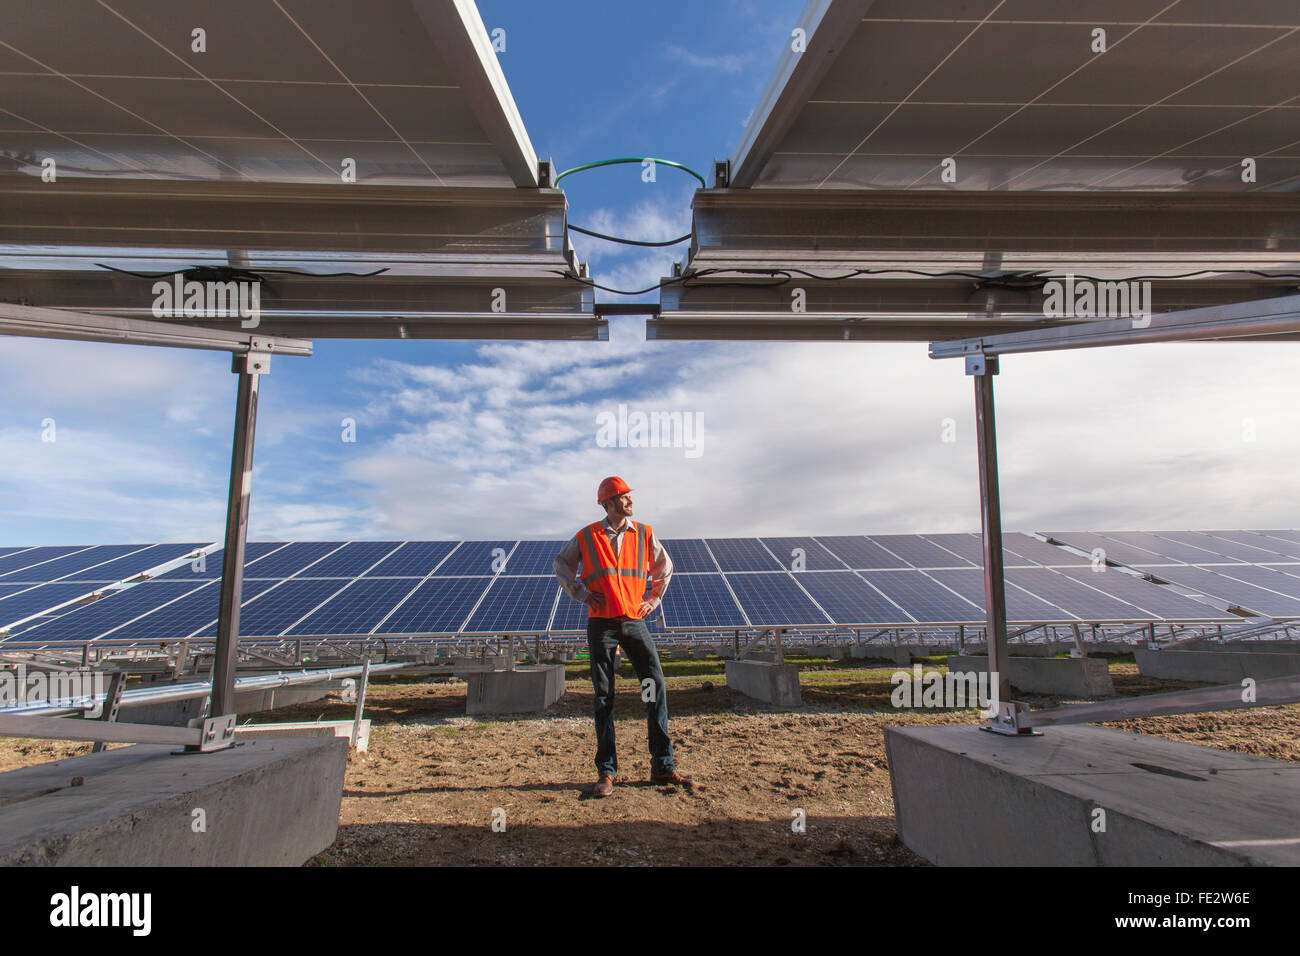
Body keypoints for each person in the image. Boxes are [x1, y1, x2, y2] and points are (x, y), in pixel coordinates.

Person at [553, 476, 691, 797]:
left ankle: (662, 765)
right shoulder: (587, 536)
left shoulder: (643, 533)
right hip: (601, 623)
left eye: (629, 496)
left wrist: (653, 600)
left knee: (653, 687)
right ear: (609, 503)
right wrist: (581, 595)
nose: (630, 501)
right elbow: (562, 564)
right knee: (604, 697)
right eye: (624, 497)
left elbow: (664, 568)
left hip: (633, 621)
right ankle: (607, 771)